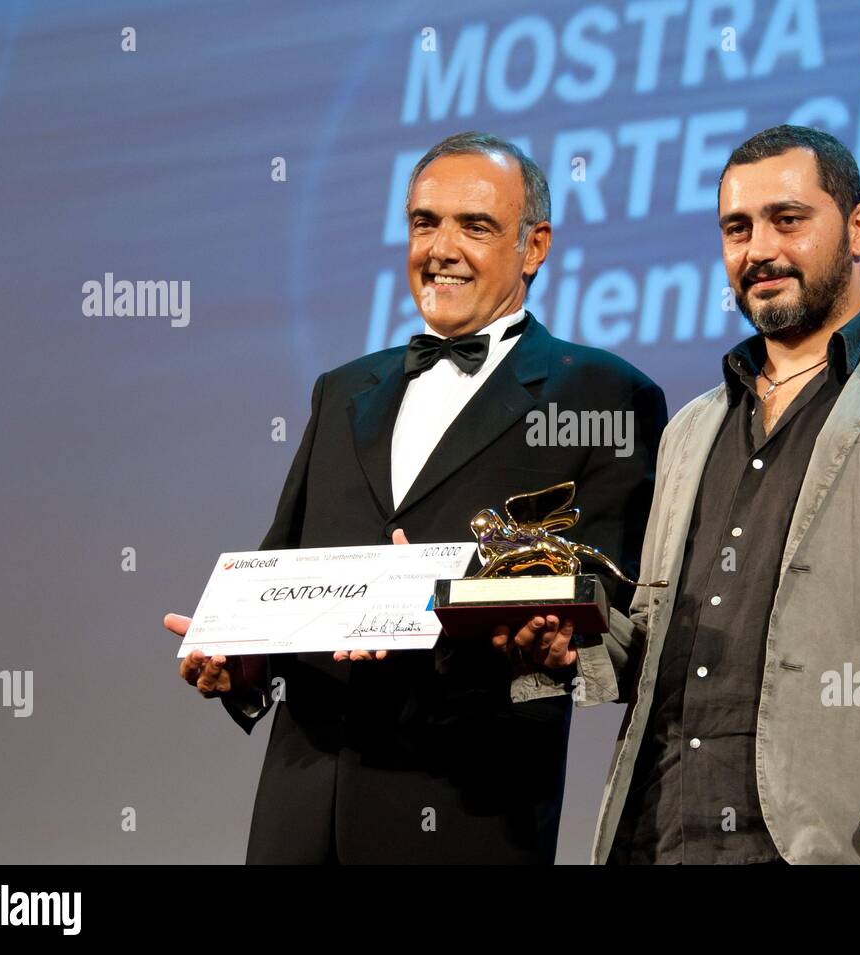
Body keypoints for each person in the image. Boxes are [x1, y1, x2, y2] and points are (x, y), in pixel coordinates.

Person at [513, 124, 860, 864]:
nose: (759, 248)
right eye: (737, 228)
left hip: (835, 833)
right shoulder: (692, 426)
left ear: (859, 227)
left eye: (787, 220)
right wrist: (569, 639)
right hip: (657, 830)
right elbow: (652, 632)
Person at [165, 131, 667, 864]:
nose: (441, 247)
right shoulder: (342, 392)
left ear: (535, 247)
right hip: (301, 810)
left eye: (475, 225)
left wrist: (497, 622)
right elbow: (286, 575)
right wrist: (242, 661)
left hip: (465, 808)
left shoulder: (605, 393)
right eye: (424, 222)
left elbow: (608, 609)